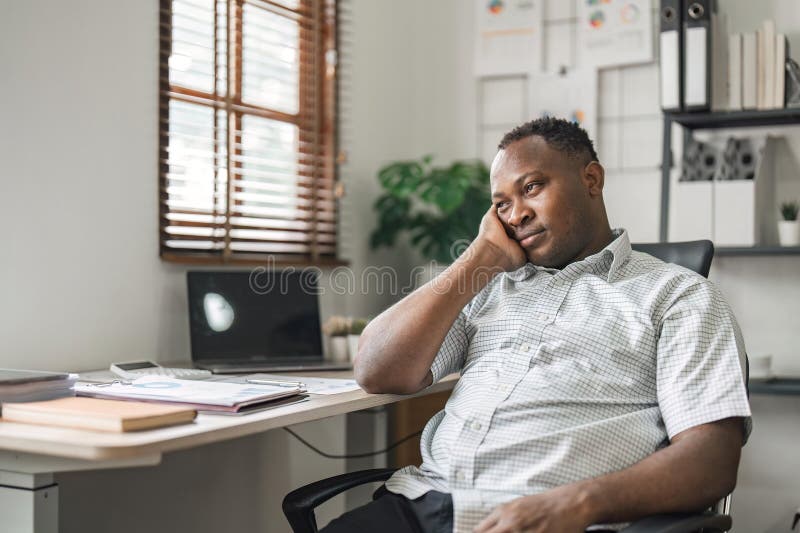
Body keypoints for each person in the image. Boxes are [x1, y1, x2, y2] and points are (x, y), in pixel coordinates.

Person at [322, 117, 751, 533]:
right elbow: (376, 371)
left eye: (531, 188)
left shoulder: (678, 295)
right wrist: (479, 258)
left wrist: (577, 504)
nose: (517, 215)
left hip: (553, 518)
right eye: (501, 204)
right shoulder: (487, 289)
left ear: (592, 180)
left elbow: (711, 460)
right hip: (419, 506)